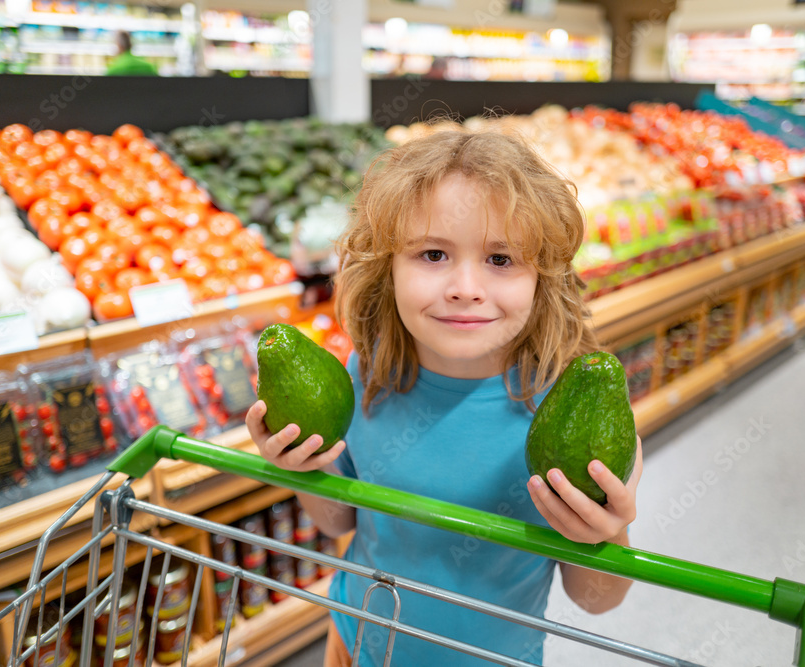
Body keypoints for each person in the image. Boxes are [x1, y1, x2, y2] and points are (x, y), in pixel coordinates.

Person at [246, 129, 643, 666]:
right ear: (388, 268)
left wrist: (610, 530)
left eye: (501, 260)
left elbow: (597, 600)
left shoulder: (574, 413)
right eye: (433, 253)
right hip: (356, 642)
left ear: (542, 279)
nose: (465, 287)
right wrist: (300, 468)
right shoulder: (365, 375)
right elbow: (339, 522)